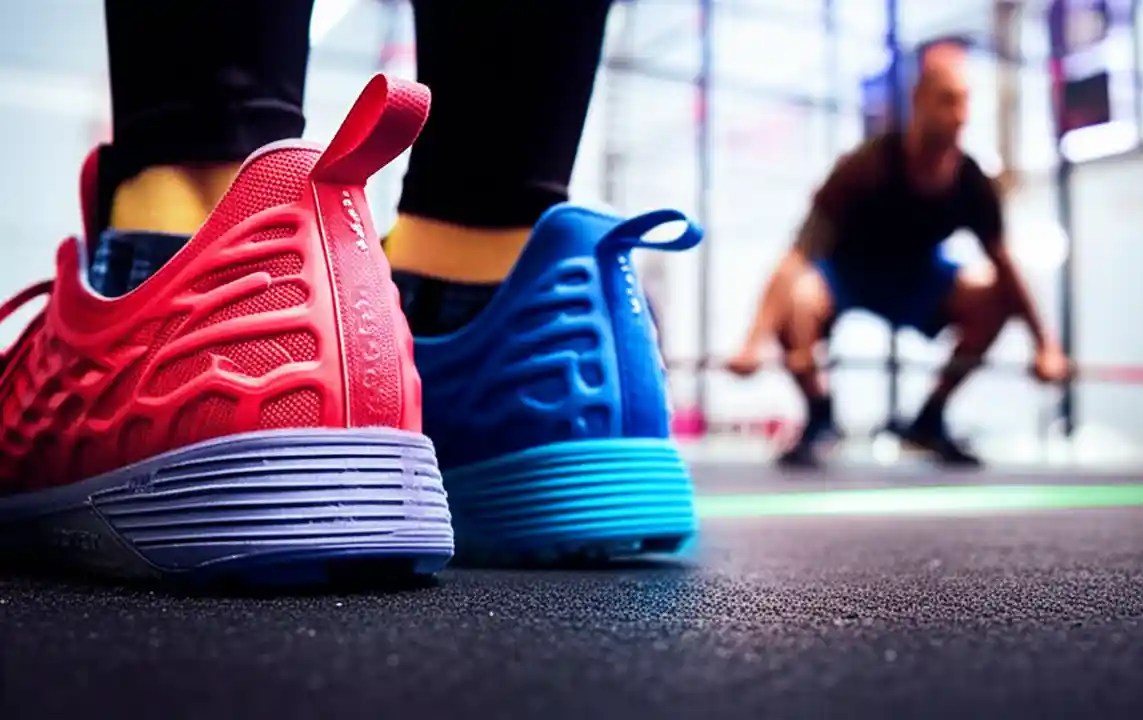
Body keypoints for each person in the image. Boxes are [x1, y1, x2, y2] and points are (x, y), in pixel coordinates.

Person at [0, 0, 699, 585]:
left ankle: (179, 257)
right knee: (491, 215)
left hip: (205, 352)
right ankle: (487, 280)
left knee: (197, 152)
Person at [727, 42, 1070, 467]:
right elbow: (795, 258)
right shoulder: (863, 167)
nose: (960, 115)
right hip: (847, 276)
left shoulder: (970, 181)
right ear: (918, 101)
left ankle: (930, 419)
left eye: (964, 102)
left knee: (994, 294)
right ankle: (820, 417)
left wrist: (1046, 346)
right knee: (796, 299)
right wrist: (752, 342)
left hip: (918, 280)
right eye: (947, 101)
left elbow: (1007, 267)